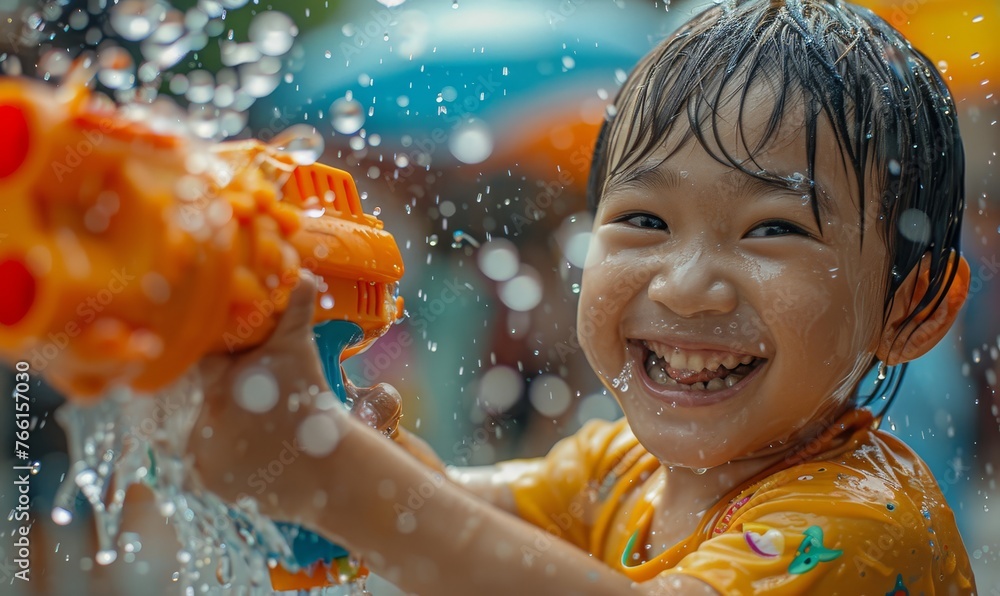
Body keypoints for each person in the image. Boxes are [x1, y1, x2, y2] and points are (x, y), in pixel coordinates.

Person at [189, 0, 979, 593]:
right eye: (644, 219)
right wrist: (328, 428)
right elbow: (447, 514)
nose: (685, 286)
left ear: (913, 306)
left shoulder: (862, 527)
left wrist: (346, 481)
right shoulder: (619, 468)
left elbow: (412, 518)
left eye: (773, 230)